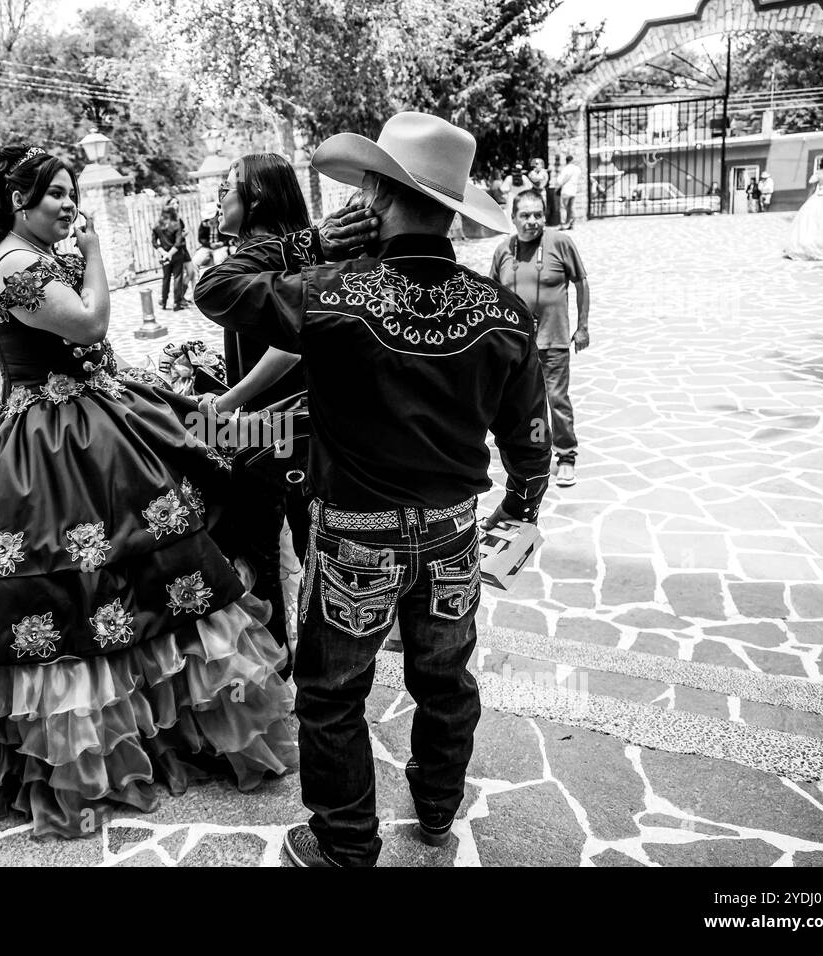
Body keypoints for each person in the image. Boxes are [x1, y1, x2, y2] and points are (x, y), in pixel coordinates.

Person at [0, 144, 296, 837]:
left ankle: (156, 719)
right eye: (56, 193)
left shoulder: (32, 256)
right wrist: (96, 256)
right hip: (51, 439)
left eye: (72, 192)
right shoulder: (17, 264)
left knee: (144, 564)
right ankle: (76, 744)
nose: (69, 204)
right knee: (62, 580)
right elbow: (89, 324)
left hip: (94, 417)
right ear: (18, 199)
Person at [197, 112, 552, 867]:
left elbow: (216, 286)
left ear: (379, 196)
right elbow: (531, 444)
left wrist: (313, 243)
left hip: (357, 535)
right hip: (455, 535)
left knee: (333, 697)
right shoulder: (502, 312)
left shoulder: (332, 295)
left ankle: (346, 845)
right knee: (446, 682)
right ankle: (435, 812)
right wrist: (518, 513)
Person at [202, 152, 313, 675]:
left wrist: (225, 402)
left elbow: (288, 348)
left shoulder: (267, 257)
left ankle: (280, 660)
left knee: (263, 546)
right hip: (292, 425)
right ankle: (300, 652)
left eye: (228, 188)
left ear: (256, 198)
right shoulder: (291, 252)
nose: (219, 198)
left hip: (276, 428)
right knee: (299, 540)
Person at [489, 190, 589, 488]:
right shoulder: (504, 250)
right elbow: (492, 293)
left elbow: (581, 282)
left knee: (556, 400)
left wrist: (582, 327)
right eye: (525, 215)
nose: (532, 221)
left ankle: (566, 455)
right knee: (525, 409)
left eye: (538, 214)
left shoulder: (560, 243)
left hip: (553, 340)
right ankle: (535, 454)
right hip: (517, 346)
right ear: (513, 217)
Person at [151, 201, 188, 310]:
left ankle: (163, 301)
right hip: (176, 255)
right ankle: (177, 303)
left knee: (166, 278)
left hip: (165, 257)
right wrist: (170, 254)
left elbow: (154, 242)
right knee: (177, 278)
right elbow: (178, 242)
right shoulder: (176, 224)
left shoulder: (157, 225)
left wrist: (164, 254)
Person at [557, 154, 582, 230]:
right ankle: (572, 222)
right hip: (573, 191)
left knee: (563, 207)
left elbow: (560, 181)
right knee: (571, 207)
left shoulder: (566, 169)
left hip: (566, 190)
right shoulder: (577, 169)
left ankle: (563, 224)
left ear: (566, 161)